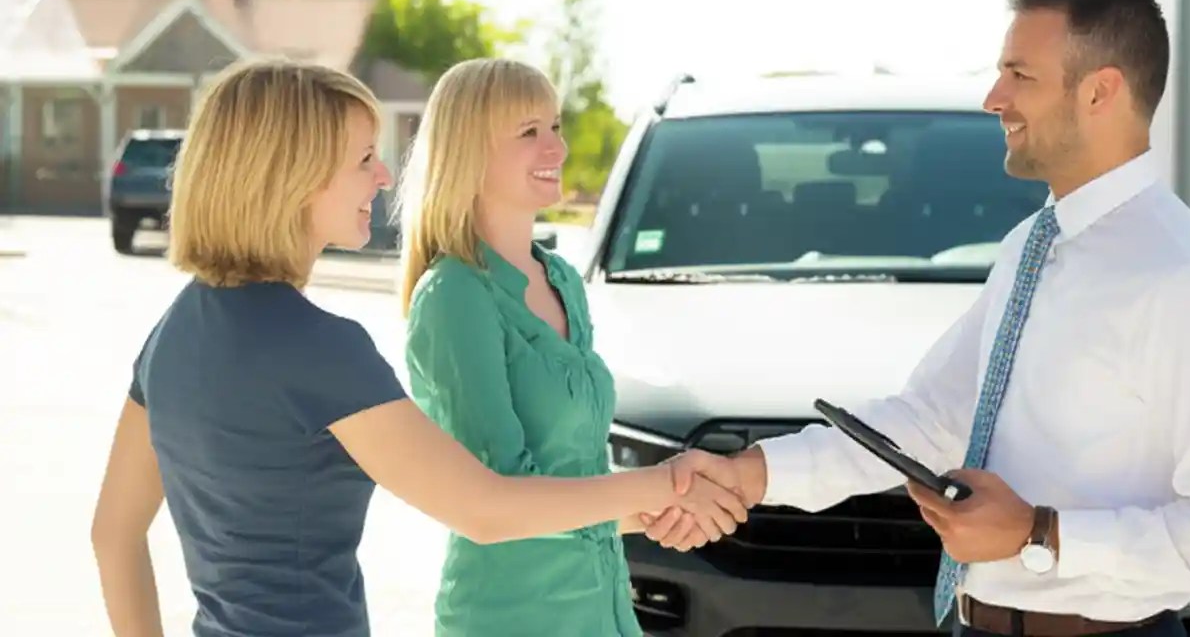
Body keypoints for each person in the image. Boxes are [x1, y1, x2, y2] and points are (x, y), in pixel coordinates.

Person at [670, 0, 1190, 636]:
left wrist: (1039, 533)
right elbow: (929, 418)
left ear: (1101, 91)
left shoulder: (1182, 279)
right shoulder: (1032, 244)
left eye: (1021, 75)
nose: (994, 98)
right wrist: (750, 475)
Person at [89, 57, 749, 637]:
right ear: (293, 177)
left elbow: (112, 537)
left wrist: (652, 502)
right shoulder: (320, 348)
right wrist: (664, 481)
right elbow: (484, 508)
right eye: (362, 159)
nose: (382, 176)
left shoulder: (172, 335)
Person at [395, 57, 737, 637]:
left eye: (554, 126)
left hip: (604, 611)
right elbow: (500, 501)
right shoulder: (454, 295)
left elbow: (575, 481)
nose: (555, 148)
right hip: (513, 618)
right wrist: (659, 484)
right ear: (468, 151)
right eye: (528, 133)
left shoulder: (563, 281)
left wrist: (656, 513)